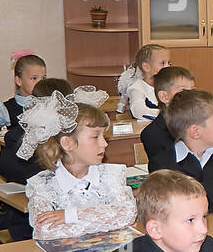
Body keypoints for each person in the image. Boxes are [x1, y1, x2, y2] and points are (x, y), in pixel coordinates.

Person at [21, 87, 136, 240]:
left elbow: (128, 214)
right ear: (68, 143)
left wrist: (70, 215)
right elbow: (46, 231)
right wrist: (108, 220)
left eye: (104, 136)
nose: (104, 144)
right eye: (95, 137)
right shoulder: (42, 185)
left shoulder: (111, 175)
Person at [140, 65, 195, 166]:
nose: (191, 96)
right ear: (164, 97)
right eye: (182, 91)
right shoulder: (152, 134)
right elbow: (166, 171)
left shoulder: (199, 122)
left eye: (192, 90)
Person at [116, 44, 170, 121]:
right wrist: (170, 114)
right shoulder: (137, 88)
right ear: (146, 67)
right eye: (163, 63)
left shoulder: (167, 85)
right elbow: (139, 112)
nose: (167, 66)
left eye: (169, 63)